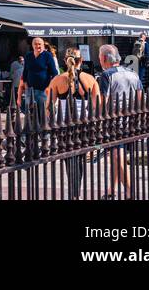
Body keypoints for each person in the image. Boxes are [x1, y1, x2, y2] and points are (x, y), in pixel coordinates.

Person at [46, 48, 100, 197]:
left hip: (64, 125)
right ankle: (76, 192)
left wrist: (49, 125)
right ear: (81, 61)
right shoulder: (90, 79)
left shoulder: (57, 79)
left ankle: (73, 192)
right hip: (84, 125)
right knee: (81, 158)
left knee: (69, 159)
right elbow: (98, 107)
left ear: (65, 61)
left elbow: (49, 107)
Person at [97, 44, 142, 198]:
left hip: (114, 123)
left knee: (117, 156)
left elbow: (103, 102)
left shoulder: (106, 75)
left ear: (103, 58)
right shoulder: (133, 74)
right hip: (130, 122)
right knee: (116, 155)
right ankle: (111, 190)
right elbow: (140, 99)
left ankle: (130, 192)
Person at [17, 36, 56, 113]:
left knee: (43, 114)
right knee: (30, 114)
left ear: (43, 45)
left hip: (43, 91)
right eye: (35, 44)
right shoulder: (28, 56)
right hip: (30, 90)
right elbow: (25, 72)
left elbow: (54, 73)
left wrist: (49, 87)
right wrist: (25, 84)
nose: (37, 46)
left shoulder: (47, 55)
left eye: (39, 44)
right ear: (32, 45)